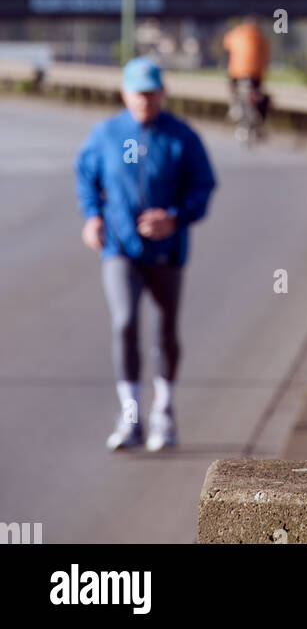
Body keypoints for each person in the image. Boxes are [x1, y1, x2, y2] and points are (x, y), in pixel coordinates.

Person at [75, 58, 217, 452]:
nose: (145, 101)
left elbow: (203, 187)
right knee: (124, 322)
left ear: (162, 94)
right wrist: (91, 217)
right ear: (125, 93)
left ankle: (164, 413)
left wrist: (174, 218)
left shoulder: (181, 137)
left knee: (165, 329)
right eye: (138, 93)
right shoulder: (107, 134)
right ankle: (132, 416)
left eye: (152, 93)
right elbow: (86, 176)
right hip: (120, 248)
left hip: (167, 252)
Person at [222, 17, 271, 121]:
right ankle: (259, 118)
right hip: (256, 74)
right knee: (259, 93)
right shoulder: (261, 37)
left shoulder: (236, 34)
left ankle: (233, 107)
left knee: (231, 87)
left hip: (237, 72)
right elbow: (266, 55)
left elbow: (226, 43)